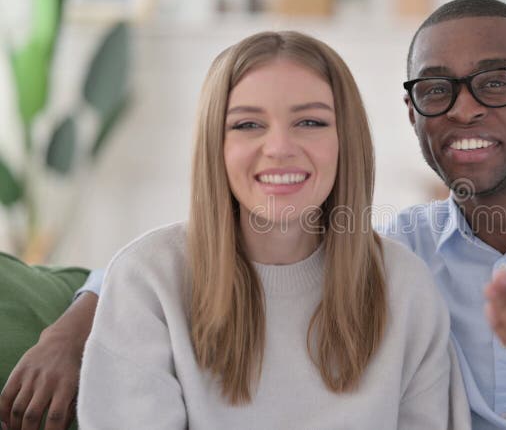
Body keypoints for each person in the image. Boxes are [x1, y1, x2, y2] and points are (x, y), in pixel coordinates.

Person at [1, 0, 506, 430]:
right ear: (411, 116)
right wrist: (74, 328)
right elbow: (224, 248)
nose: (463, 108)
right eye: (436, 89)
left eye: (495, 81)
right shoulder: (399, 252)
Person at [4, 30, 468, 430]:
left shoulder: (406, 288)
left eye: (310, 121)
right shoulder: (148, 281)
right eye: (247, 124)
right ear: (215, 145)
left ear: (346, 140)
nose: (280, 147)